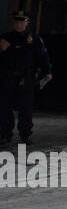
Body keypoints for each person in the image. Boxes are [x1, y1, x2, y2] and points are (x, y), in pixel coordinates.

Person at [0, 10, 54, 147]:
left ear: (26, 23)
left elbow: (42, 56)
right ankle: (5, 133)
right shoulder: (6, 38)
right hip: (8, 77)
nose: (19, 25)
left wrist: (47, 71)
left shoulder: (33, 39)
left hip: (26, 77)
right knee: (5, 106)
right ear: (14, 23)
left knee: (25, 107)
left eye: (22, 22)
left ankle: (25, 134)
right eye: (17, 22)